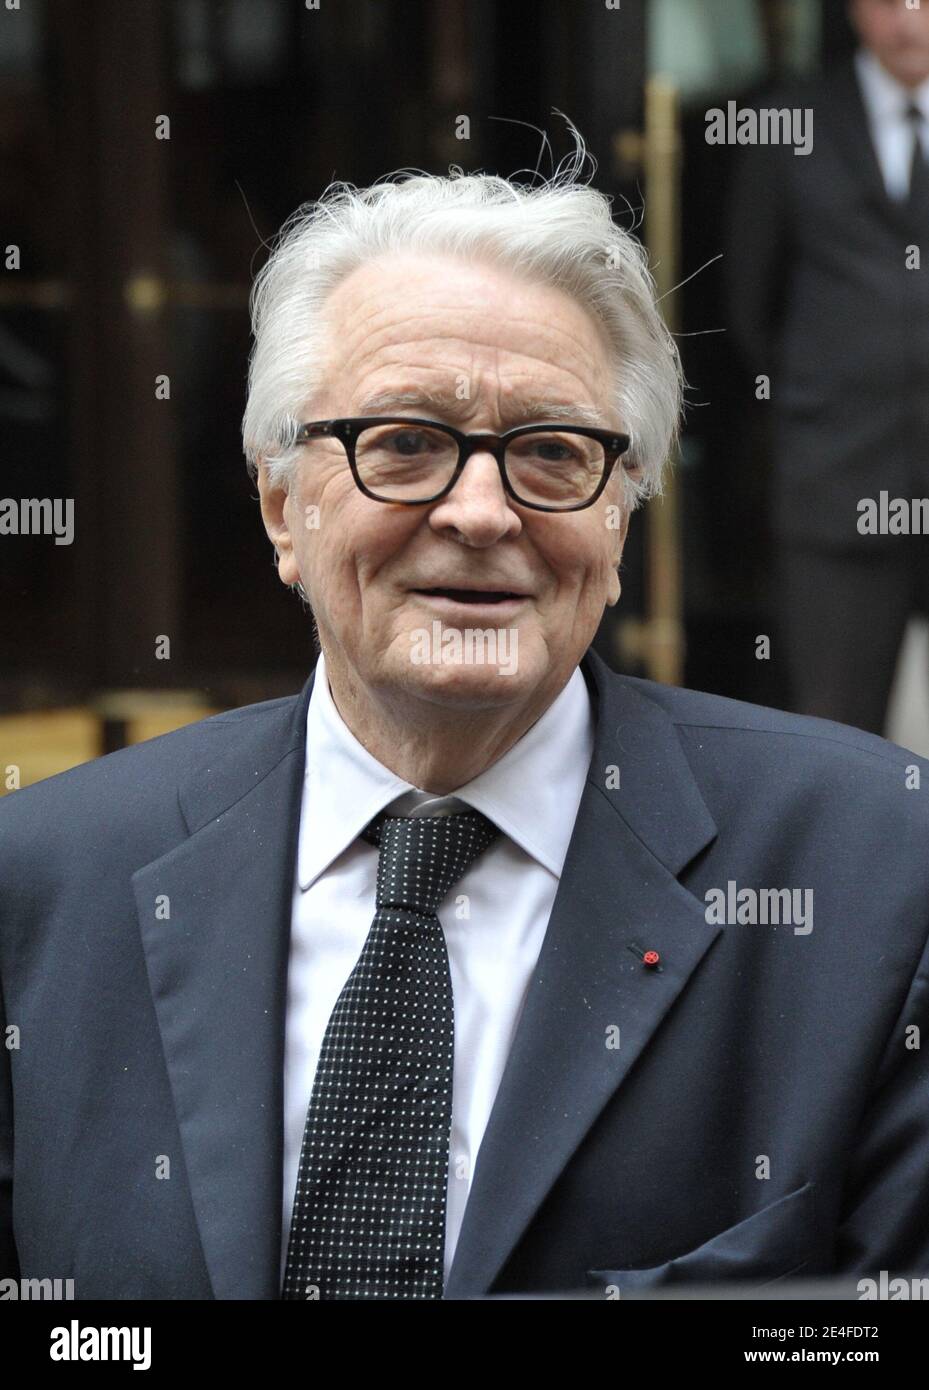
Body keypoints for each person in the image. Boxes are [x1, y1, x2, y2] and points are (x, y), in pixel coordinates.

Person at [2, 139, 928, 1301]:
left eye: (551, 451)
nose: (481, 511)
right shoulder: (41, 881)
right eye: (403, 444)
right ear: (282, 503)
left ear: (623, 516)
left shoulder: (874, 871)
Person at [726, 0, 929, 734]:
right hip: (837, 477)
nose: (906, 21)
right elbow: (749, 303)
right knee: (836, 730)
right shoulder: (791, 122)